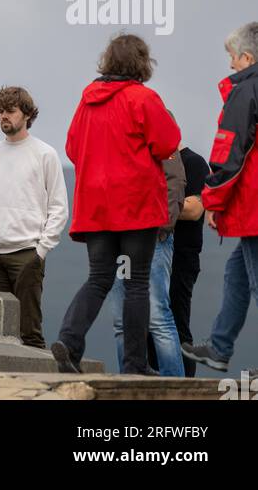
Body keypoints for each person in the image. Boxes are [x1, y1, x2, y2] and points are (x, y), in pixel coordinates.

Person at [51, 33, 181, 375]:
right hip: (135, 206)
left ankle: (69, 341)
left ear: (107, 61)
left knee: (99, 278)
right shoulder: (144, 98)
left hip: (96, 208)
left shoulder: (87, 100)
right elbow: (168, 143)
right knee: (136, 282)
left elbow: (72, 147)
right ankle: (136, 365)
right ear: (141, 62)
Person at [182, 21, 258, 372]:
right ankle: (220, 347)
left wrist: (212, 201)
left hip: (253, 207)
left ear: (246, 56)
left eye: (232, 57)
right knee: (236, 275)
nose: (230, 65)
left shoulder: (245, 92)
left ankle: (221, 348)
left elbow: (230, 152)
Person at [0, 86, 68, 348]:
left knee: (29, 332)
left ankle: (37, 387)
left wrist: (41, 250)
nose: (4, 116)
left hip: (27, 253)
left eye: (10, 111)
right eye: (0, 111)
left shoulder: (45, 154)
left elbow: (59, 207)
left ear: (26, 114)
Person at [110, 149, 186, 375]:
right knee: (121, 321)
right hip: (119, 240)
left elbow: (175, 179)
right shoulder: (115, 126)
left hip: (153, 240)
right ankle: (129, 385)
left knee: (157, 317)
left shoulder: (158, 119)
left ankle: (175, 391)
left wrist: (161, 226)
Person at [164, 143, 208, 377]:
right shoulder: (155, 163)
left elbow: (194, 210)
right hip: (152, 256)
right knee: (150, 329)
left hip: (182, 256)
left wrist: (150, 204)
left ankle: (187, 387)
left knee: (178, 325)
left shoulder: (194, 162)